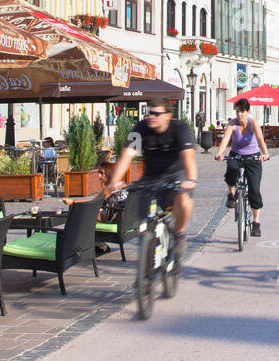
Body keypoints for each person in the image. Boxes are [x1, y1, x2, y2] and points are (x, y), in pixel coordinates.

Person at [107, 98, 198, 267]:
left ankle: (178, 234)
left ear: (168, 115)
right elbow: (127, 156)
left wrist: (191, 180)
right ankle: (145, 271)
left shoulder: (180, 128)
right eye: (149, 113)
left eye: (156, 114)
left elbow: (188, 157)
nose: (151, 117)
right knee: (144, 224)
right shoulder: (141, 128)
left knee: (184, 201)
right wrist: (115, 181)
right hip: (150, 177)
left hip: (175, 177)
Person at [214, 98, 269, 237]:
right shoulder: (232, 124)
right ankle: (232, 195)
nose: (240, 114)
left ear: (248, 111)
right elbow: (226, 139)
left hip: (253, 157)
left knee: (254, 190)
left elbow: (260, 139)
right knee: (231, 171)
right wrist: (219, 153)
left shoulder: (253, 123)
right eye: (237, 111)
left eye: (242, 111)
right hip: (236, 155)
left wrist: (265, 153)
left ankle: (256, 223)